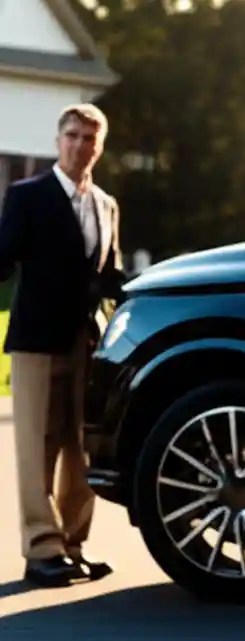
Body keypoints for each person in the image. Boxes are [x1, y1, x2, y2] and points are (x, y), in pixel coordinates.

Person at [0, 104, 126, 587]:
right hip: (36, 339)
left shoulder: (107, 205)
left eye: (89, 138)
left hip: (86, 341)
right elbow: (3, 259)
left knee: (82, 446)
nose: (79, 145)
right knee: (38, 445)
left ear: (99, 147)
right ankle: (41, 549)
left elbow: (111, 275)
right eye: (71, 135)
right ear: (58, 141)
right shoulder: (27, 196)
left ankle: (72, 544)